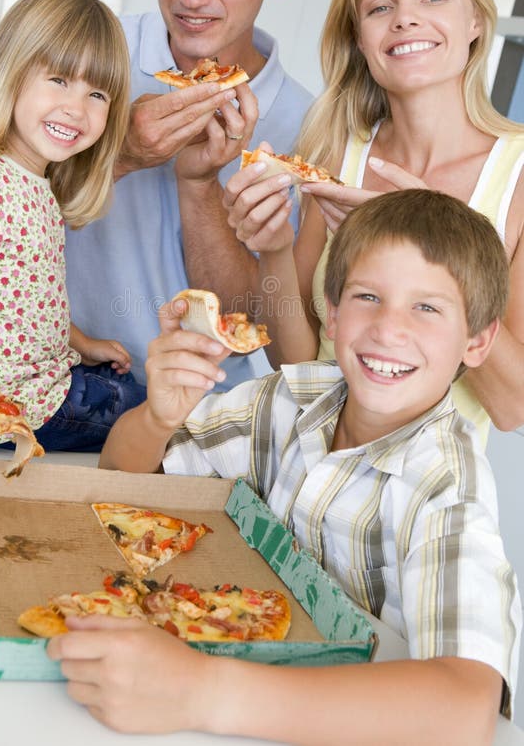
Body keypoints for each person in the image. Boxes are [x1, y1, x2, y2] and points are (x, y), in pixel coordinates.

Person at [49, 189, 521, 743]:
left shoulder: (446, 486)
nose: (389, 329)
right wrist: (156, 416)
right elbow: (125, 484)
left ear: (478, 341)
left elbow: (466, 710)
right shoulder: (288, 398)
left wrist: (203, 691)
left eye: (427, 307)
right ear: (333, 309)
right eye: (368, 296)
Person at [223, 0, 524, 442]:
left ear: (475, 19)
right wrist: (272, 250)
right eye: (381, 7)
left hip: (416, 504)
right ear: (359, 38)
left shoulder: (518, 176)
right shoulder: (337, 151)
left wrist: (437, 236)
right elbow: (292, 365)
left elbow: (513, 407)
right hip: (297, 469)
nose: (406, 20)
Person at [64, 0, 314, 391]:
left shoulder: (310, 127)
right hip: (57, 388)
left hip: (203, 425)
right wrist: (120, 156)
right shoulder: (89, 52)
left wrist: (199, 185)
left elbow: (261, 321)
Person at [0, 0, 146, 452]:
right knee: (153, 411)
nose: (76, 108)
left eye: (98, 93)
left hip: (38, 382)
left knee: (132, 388)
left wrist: (82, 344)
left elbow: (25, 300)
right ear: (10, 72)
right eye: (59, 80)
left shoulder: (35, 183)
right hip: (6, 407)